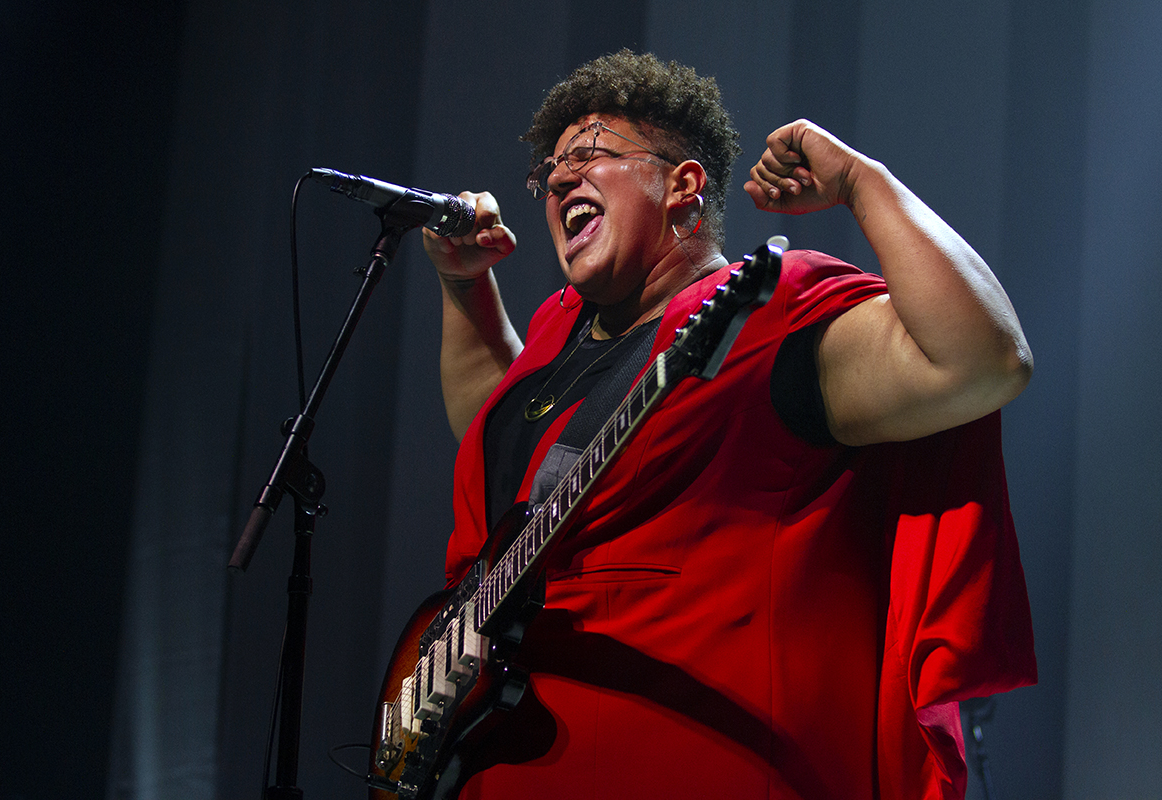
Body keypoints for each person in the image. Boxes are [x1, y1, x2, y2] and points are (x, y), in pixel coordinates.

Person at [418, 50, 1036, 800]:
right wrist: (464, 286)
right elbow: (496, 445)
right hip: (502, 765)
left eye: (591, 154)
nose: (556, 179)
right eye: (551, 166)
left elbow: (983, 361)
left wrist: (860, 183)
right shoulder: (557, 333)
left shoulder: (772, 323)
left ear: (682, 186)